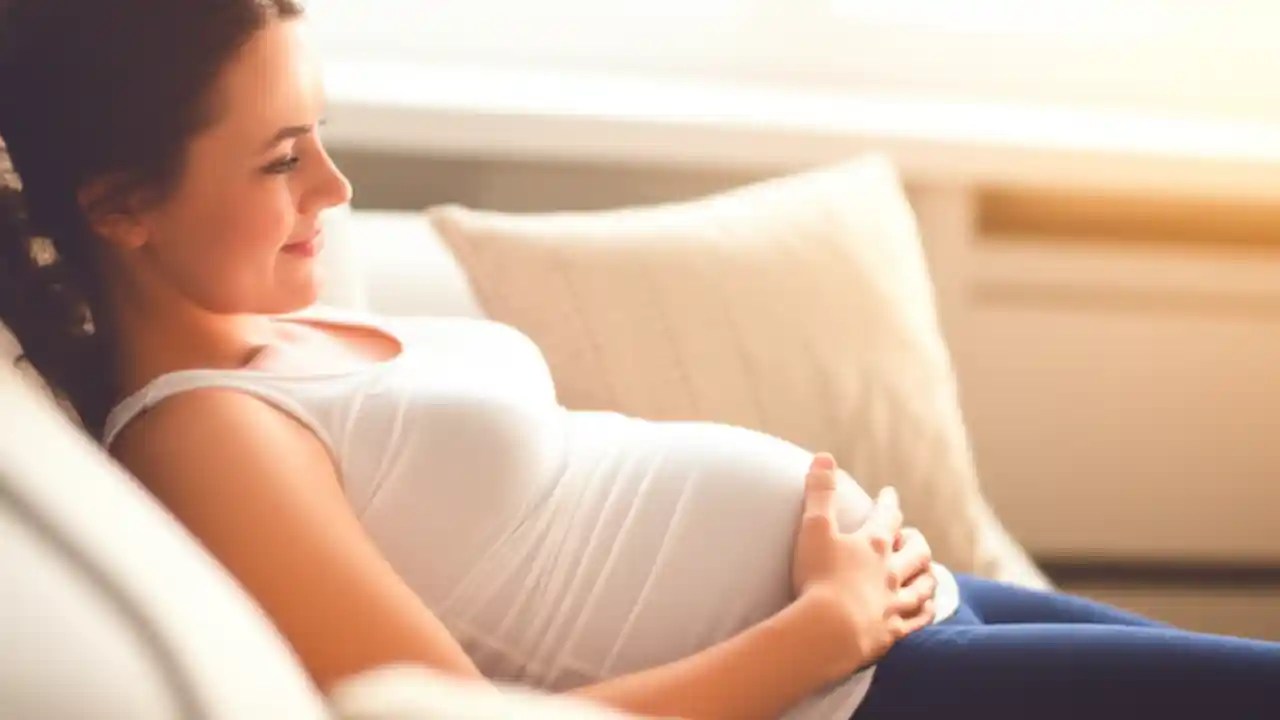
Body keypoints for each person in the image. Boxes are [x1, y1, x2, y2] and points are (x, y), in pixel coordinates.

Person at [0, 2, 1276, 719]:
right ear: (122, 206)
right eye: (281, 158)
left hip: (908, 609)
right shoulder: (197, 434)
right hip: (853, 687)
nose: (333, 187)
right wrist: (820, 627)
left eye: (319, 133)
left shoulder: (270, 317)